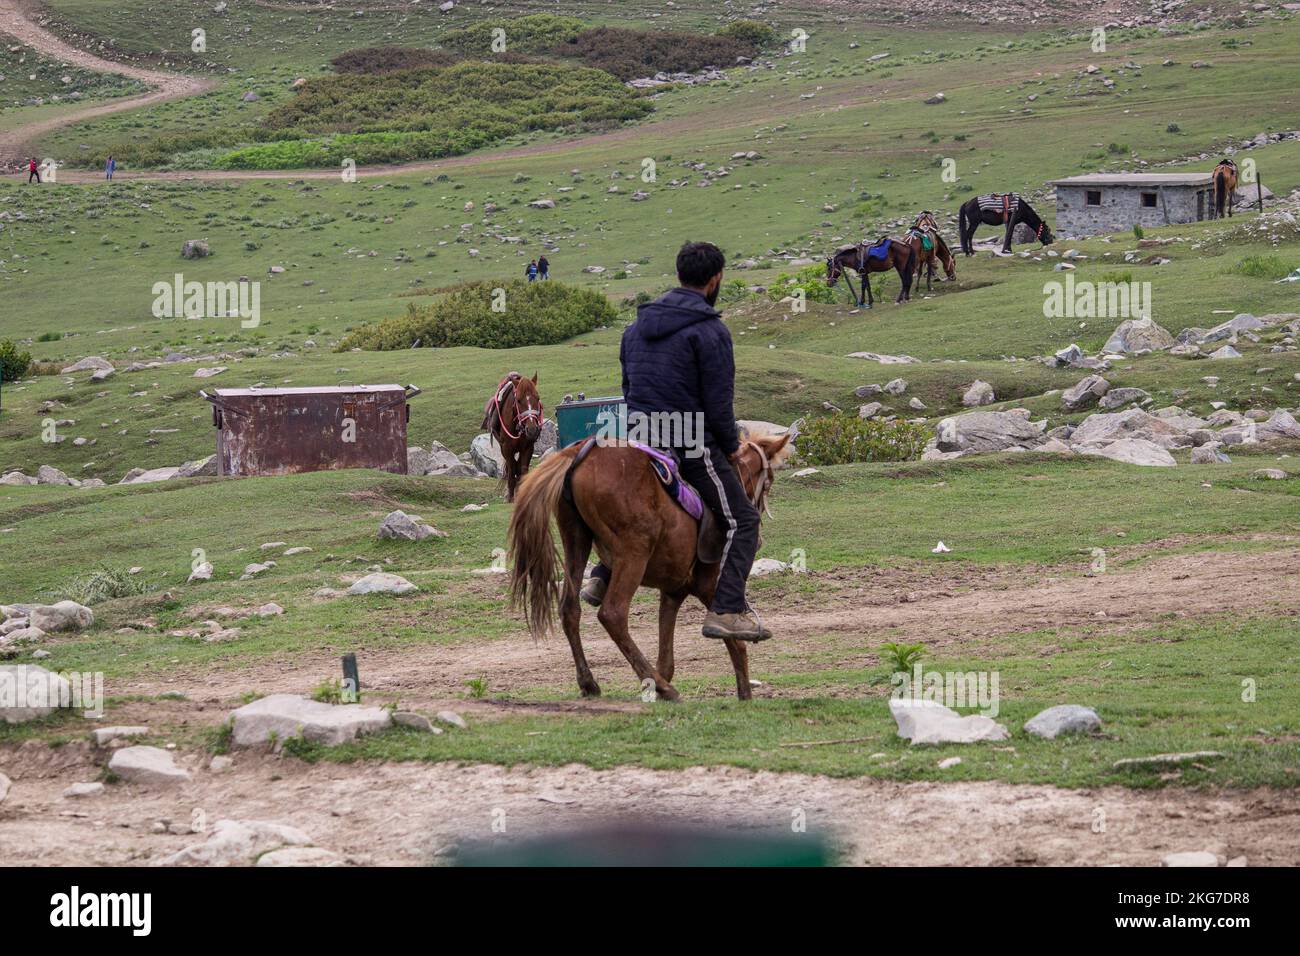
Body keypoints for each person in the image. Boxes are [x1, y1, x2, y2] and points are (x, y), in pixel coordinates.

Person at [580, 240, 769, 642]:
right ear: (715, 279)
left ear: (680, 274)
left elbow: (629, 389)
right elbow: (718, 402)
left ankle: (602, 574)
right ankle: (729, 609)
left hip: (639, 438)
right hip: (689, 442)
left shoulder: (635, 329)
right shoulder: (710, 331)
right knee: (744, 520)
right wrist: (730, 443)